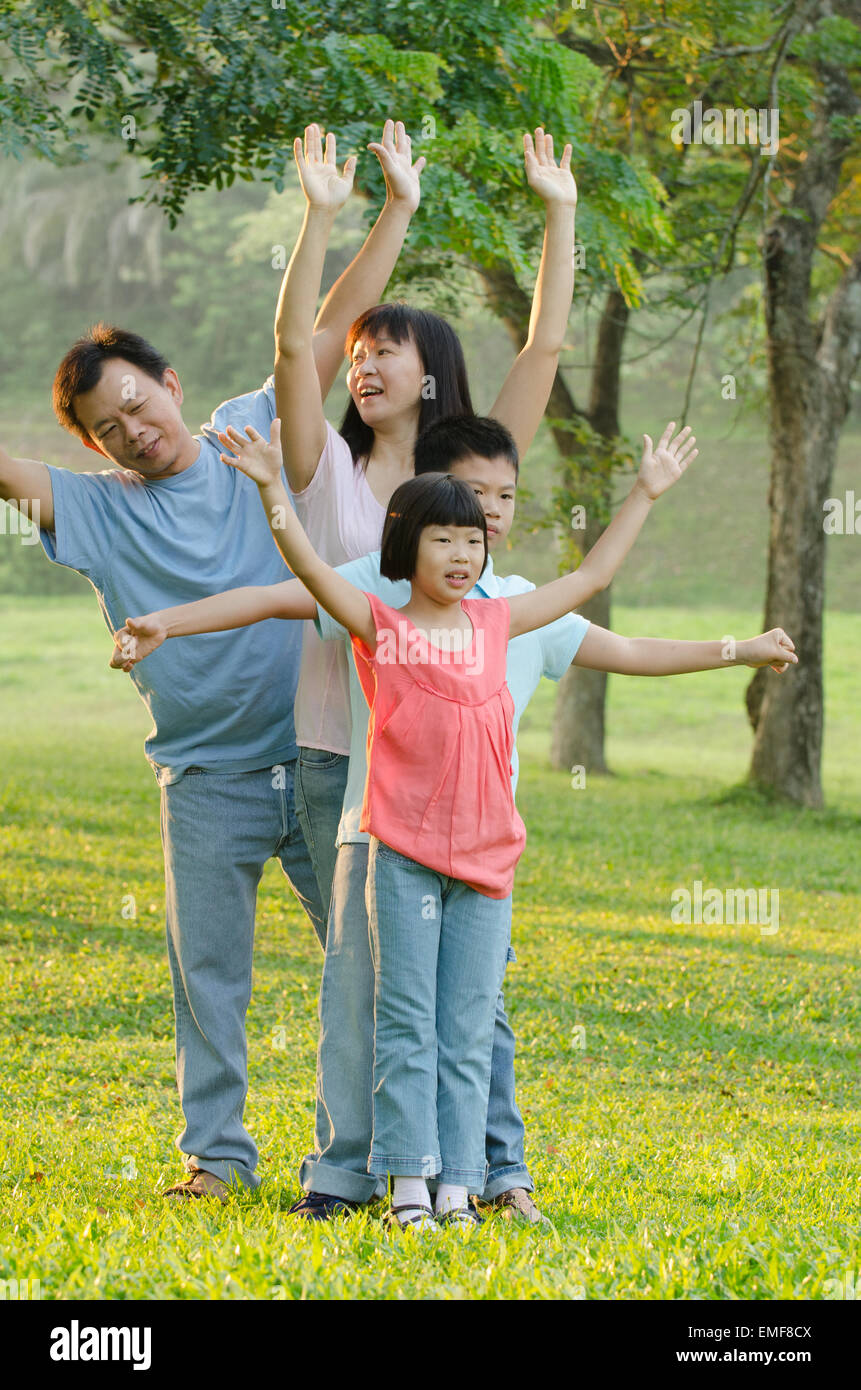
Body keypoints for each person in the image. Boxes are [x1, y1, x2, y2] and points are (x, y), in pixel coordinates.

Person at [113, 414, 797, 1224]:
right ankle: (389, 1181)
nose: (472, 539)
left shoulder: (502, 617)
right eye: (451, 527)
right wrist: (266, 492)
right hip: (392, 847)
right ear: (409, 540)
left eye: (485, 521)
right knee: (388, 1019)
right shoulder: (380, 617)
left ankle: (468, 1182)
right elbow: (293, 575)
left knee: (469, 1026)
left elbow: (598, 590)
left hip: (483, 855)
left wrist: (669, 533)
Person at [0, 120, 424, 1200]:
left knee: (368, 963)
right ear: (91, 446)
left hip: (320, 758)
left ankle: (376, 1152)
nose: (132, 430)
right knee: (207, 978)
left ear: (170, 383)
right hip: (204, 776)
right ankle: (217, 1159)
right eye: (106, 428)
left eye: (136, 403)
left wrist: (386, 209)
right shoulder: (93, 508)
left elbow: (327, 330)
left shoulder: (252, 431)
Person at [274, 121, 577, 936]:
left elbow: (544, 348)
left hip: (453, 754)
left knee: (465, 973)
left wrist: (560, 212)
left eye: (383, 352)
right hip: (339, 751)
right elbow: (296, 351)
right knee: (361, 966)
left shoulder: (470, 469)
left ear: (432, 369)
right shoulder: (324, 465)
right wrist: (324, 215)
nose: (362, 367)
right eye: (358, 355)